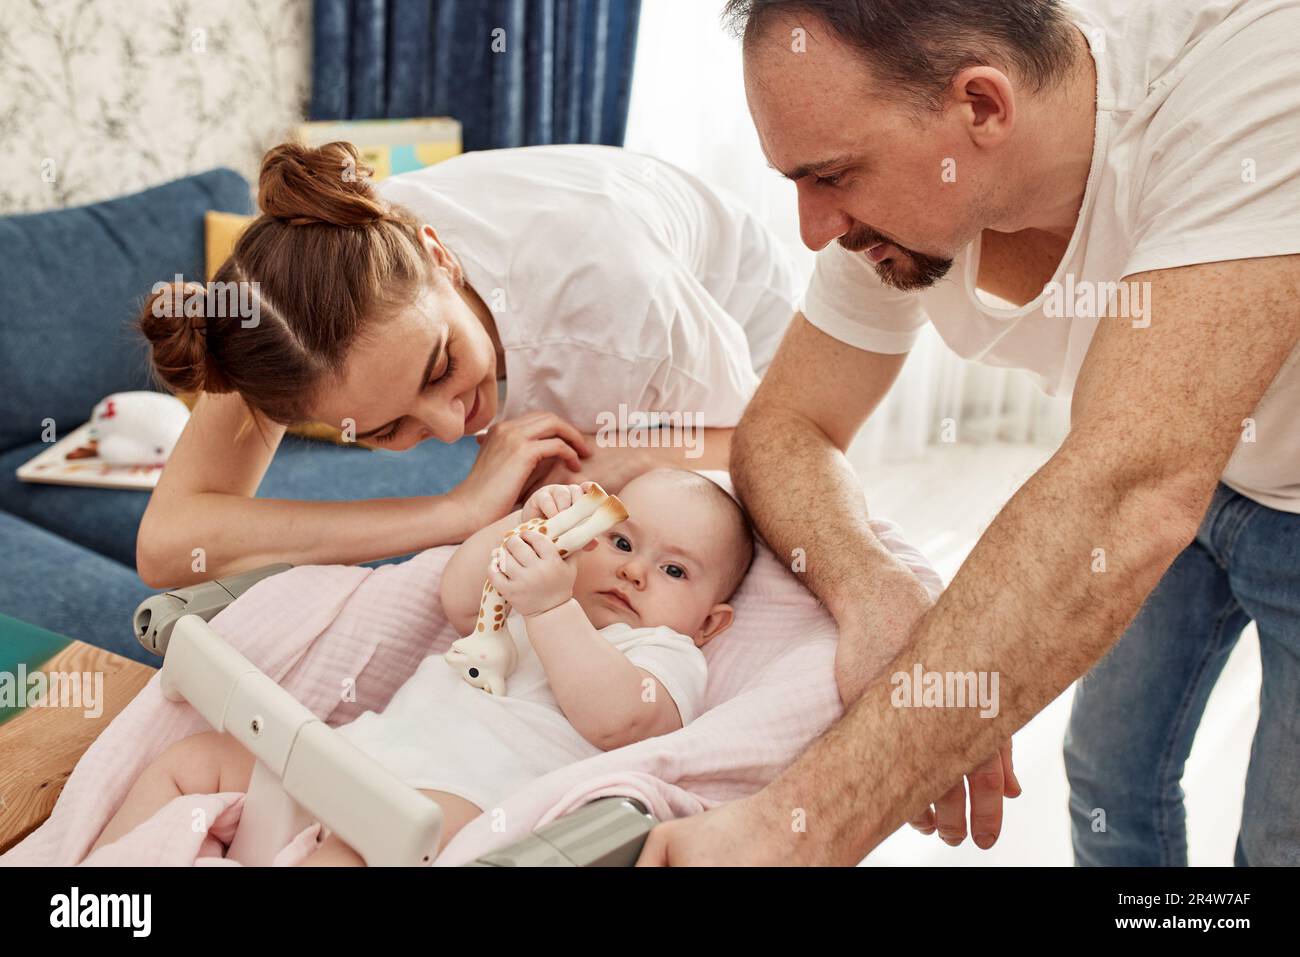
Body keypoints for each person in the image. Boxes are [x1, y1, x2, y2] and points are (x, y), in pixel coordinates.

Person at [640, 0, 1300, 866]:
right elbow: (786, 424)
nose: (813, 229)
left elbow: (1129, 491)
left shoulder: (1258, 84)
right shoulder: (898, 203)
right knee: (1110, 777)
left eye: (830, 176)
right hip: (1191, 480)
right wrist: (871, 587)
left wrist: (792, 830)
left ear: (982, 107)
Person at [134, 140, 795, 588]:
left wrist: (625, 454)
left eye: (438, 368)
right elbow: (169, 543)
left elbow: (778, 445)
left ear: (439, 255)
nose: (451, 431)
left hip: (739, 325)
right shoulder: (292, 310)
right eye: (379, 430)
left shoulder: (622, 313)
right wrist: (452, 511)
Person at [90, 471, 754, 864]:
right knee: (196, 757)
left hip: (450, 809)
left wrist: (553, 608)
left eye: (673, 569)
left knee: (361, 848)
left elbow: (617, 718)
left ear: (710, 622)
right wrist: (522, 529)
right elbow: (457, 594)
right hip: (356, 752)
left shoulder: (665, 655)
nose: (635, 569)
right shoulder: (532, 594)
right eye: (620, 540)